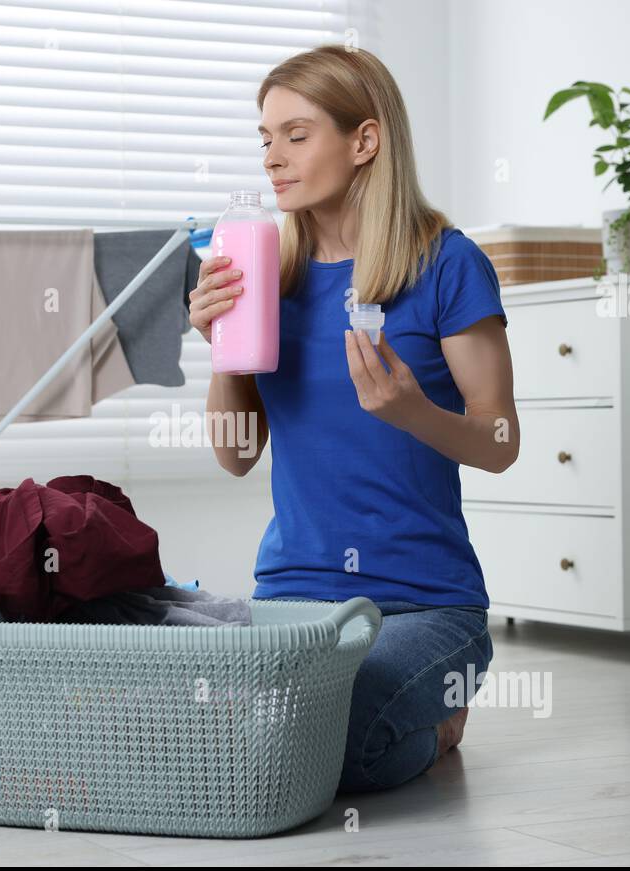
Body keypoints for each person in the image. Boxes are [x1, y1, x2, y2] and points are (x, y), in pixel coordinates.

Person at [189, 46, 519, 791]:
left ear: (364, 140)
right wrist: (223, 350)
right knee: (221, 731)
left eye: (296, 134)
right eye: (265, 137)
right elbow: (237, 455)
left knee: (319, 739)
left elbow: (501, 442)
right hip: (291, 597)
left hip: (423, 607)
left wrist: (412, 411)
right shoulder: (271, 275)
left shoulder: (445, 264)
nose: (273, 157)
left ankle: (435, 723)